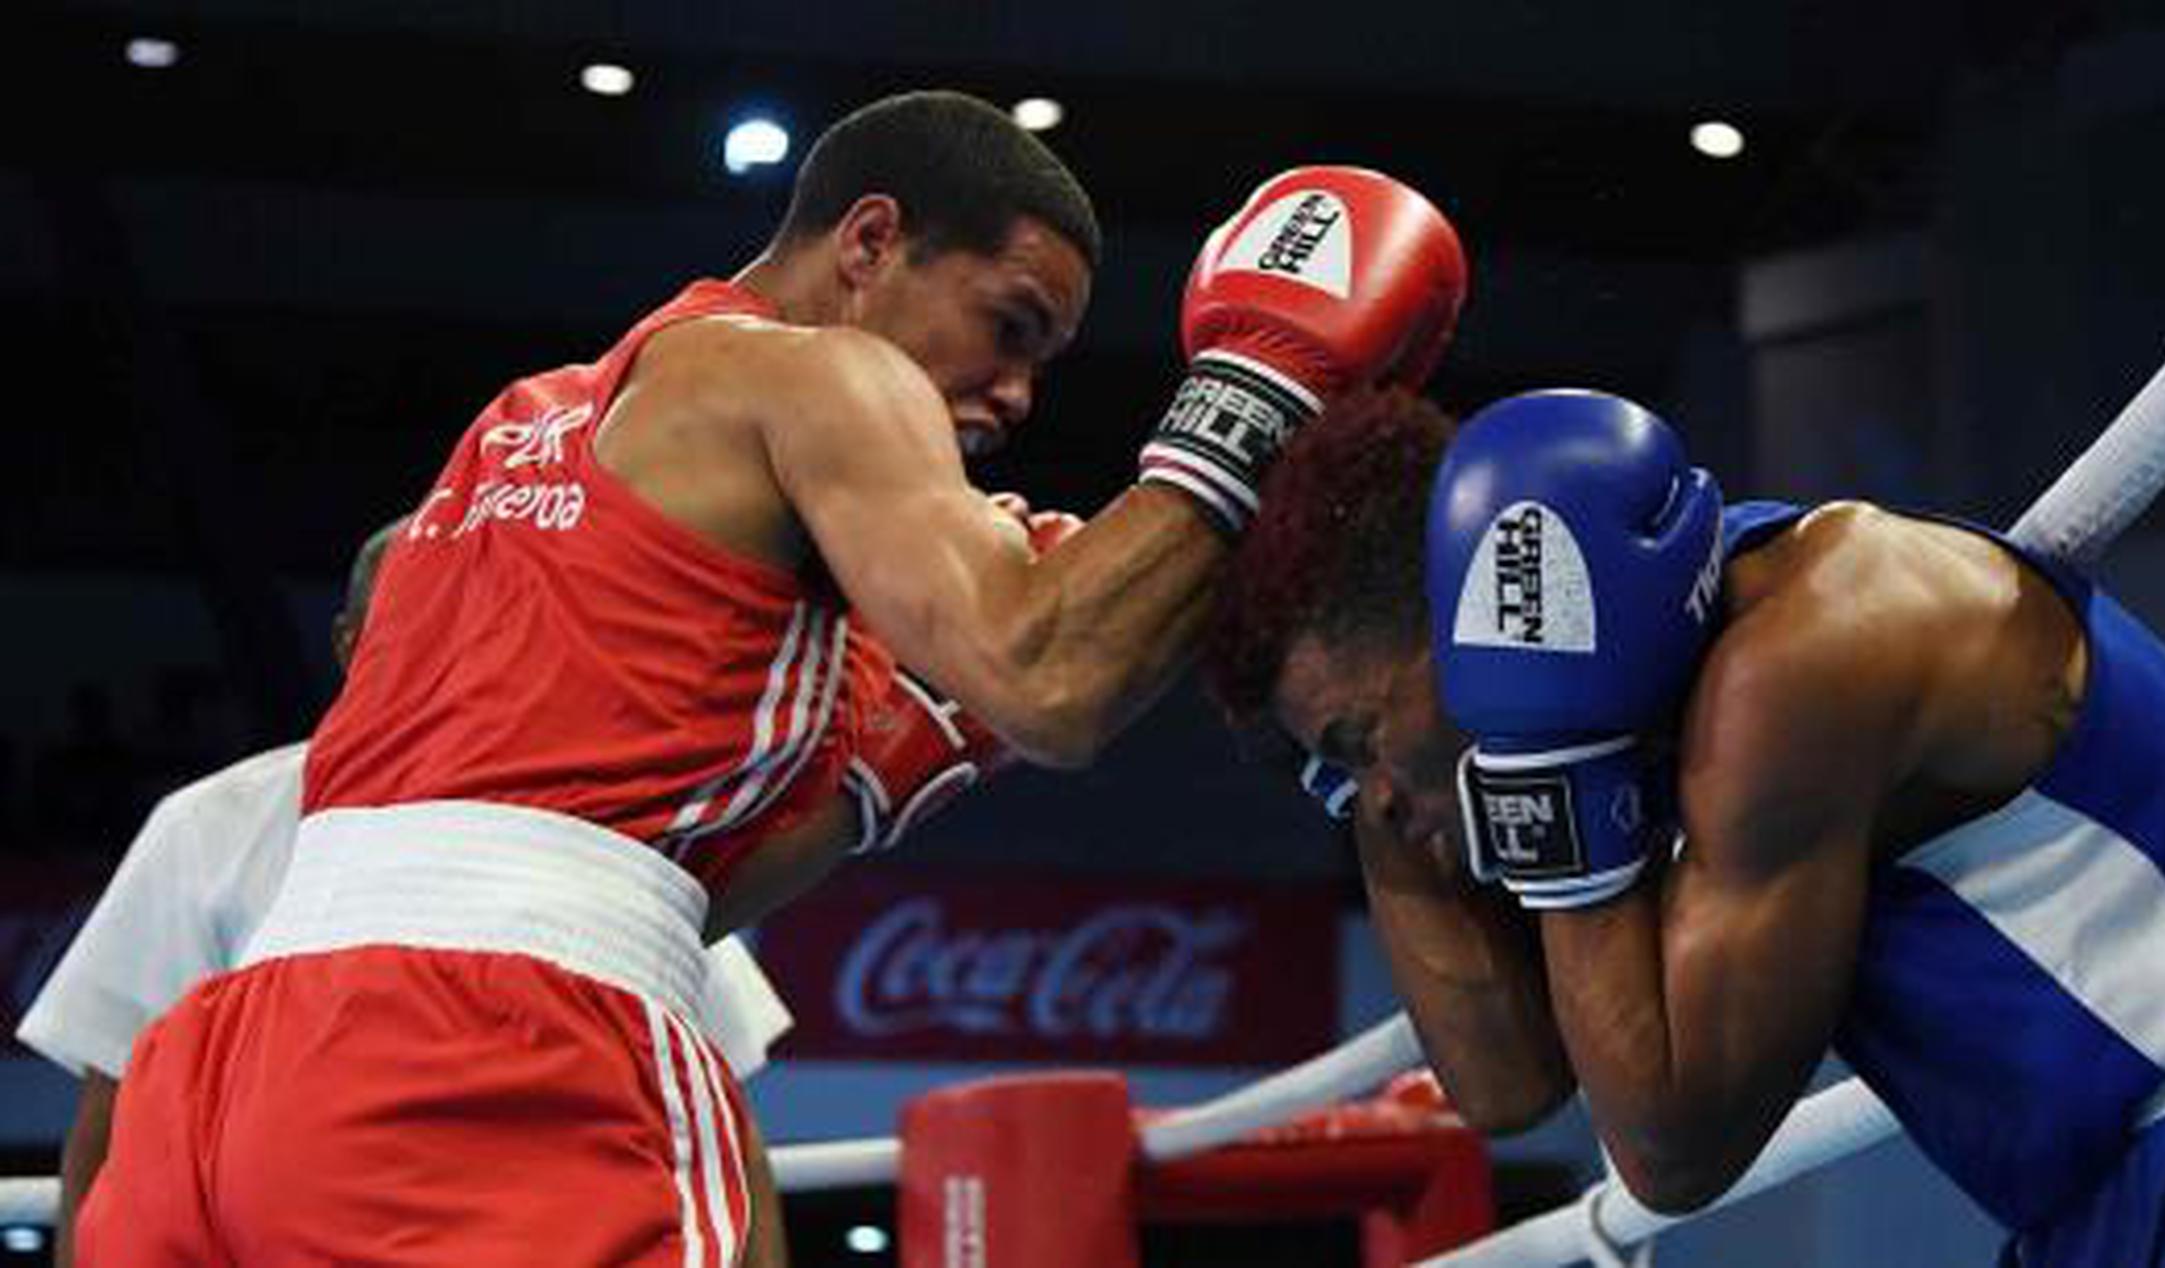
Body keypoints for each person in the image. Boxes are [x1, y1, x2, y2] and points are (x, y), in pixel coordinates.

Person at [78, 90, 1465, 1268]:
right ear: (870, 242)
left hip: (236, 1064)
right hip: (489, 1055)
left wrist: (883, 771)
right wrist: (1258, 393)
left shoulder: (521, 429)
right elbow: (1052, 677)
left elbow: (636, 871)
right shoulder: (820, 383)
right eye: (1012, 324)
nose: (1017, 394)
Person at [1202, 388, 2165, 1266]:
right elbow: (1506, 1086)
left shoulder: (1811, 648)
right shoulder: (1649, 693)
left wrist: (1540, 754)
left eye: (1361, 749)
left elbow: (1670, 1149)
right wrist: (1405, 780)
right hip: (2106, 1207)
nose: (1381, 809)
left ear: (1489, 624)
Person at [19, 521, 804, 1267]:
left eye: (479, 621)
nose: (450, 652)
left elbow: (714, 1112)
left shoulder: (607, 810)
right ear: (352, 643)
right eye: (424, 621)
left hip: (538, 1222)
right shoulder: (209, 828)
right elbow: (112, 1132)